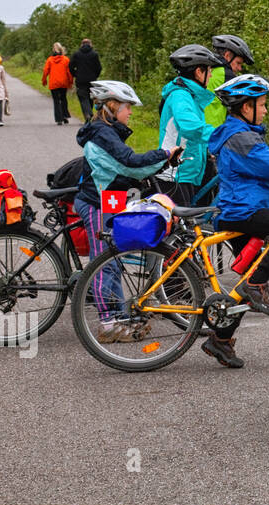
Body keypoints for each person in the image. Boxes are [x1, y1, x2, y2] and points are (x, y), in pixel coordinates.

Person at [75, 80, 183, 343]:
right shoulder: (103, 133)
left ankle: (119, 316)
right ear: (113, 107)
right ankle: (108, 322)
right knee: (104, 262)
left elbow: (126, 168)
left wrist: (161, 160)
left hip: (110, 197)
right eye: (128, 107)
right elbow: (130, 163)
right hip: (96, 201)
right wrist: (164, 153)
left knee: (112, 259)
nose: (130, 112)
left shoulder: (108, 131)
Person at [201, 74, 269, 368]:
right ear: (244, 106)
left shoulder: (240, 133)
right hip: (243, 212)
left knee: (247, 279)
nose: (265, 110)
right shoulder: (242, 138)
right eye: (261, 104)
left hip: (240, 208)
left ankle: (220, 340)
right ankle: (258, 284)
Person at [156, 44, 222, 206]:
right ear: (199, 72)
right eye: (209, 70)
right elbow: (190, 127)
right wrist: (224, 136)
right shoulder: (181, 96)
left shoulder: (190, 97)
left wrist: (208, 149)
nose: (211, 74)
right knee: (182, 229)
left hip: (186, 172)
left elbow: (187, 136)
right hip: (175, 174)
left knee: (192, 224)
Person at [205, 34, 256, 127]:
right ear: (227, 56)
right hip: (213, 133)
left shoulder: (208, 70)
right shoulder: (224, 74)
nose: (240, 68)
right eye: (238, 63)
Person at [68, 38, 102, 122]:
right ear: (90, 44)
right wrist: (95, 75)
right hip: (92, 80)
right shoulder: (94, 54)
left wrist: (75, 74)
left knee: (83, 98)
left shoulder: (77, 54)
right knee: (90, 98)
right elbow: (99, 67)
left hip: (81, 80)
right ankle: (88, 115)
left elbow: (70, 66)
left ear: (81, 44)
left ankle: (88, 114)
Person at [41, 42, 73, 125]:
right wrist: (70, 82)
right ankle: (65, 116)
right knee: (63, 99)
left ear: (53, 49)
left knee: (56, 101)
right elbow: (69, 72)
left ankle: (59, 119)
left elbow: (45, 71)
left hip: (54, 83)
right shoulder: (66, 59)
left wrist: (44, 80)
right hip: (63, 82)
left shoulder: (50, 60)